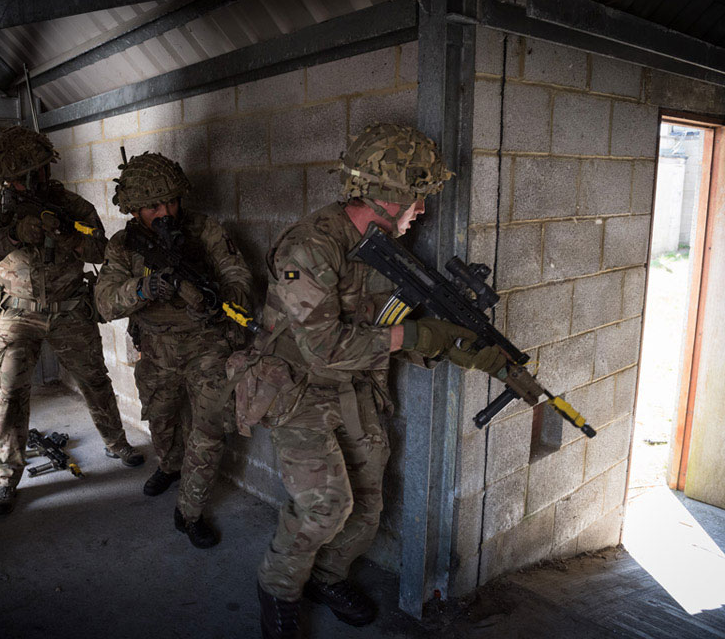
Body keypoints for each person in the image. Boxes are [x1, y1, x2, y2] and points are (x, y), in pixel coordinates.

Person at [251, 123, 506, 638]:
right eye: (418, 198)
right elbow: (325, 347)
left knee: (368, 506)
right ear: (388, 196)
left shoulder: (384, 249)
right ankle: (278, 587)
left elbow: (394, 328)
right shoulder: (311, 248)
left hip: (356, 390)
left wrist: (456, 346)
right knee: (325, 507)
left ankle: (327, 576)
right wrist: (416, 334)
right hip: (298, 390)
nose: (423, 211)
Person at [0, 126, 144, 517]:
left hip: (69, 311)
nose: (24, 184)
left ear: (43, 171)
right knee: (10, 393)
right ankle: (5, 476)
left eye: (31, 175)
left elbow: (102, 249)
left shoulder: (70, 205)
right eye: (14, 179)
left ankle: (116, 442)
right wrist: (14, 234)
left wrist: (68, 234)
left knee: (95, 380)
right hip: (18, 313)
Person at [95, 151, 252, 548]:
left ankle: (190, 510)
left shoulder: (205, 229)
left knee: (209, 430)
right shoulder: (123, 246)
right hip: (156, 349)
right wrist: (144, 289)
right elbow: (104, 302)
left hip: (208, 346)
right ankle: (168, 466)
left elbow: (237, 274)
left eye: (170, 201)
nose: (164, 211)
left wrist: (226, 298)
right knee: (162, 420)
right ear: (133, 209)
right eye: (152, 206)